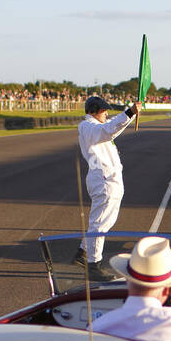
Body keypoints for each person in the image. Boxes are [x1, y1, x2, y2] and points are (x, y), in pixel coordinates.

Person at [75, 95, 141, 277]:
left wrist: (132, 114)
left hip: (108, 180)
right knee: (99, 224)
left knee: (105, 221)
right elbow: (109, 129)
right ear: (93, 111)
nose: (106, 112)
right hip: (103, 180)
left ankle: (83, 252)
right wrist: (129, 112)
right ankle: (93, 266)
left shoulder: (97, 127)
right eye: (103, 110)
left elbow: (112, 126)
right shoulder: (88, 126)